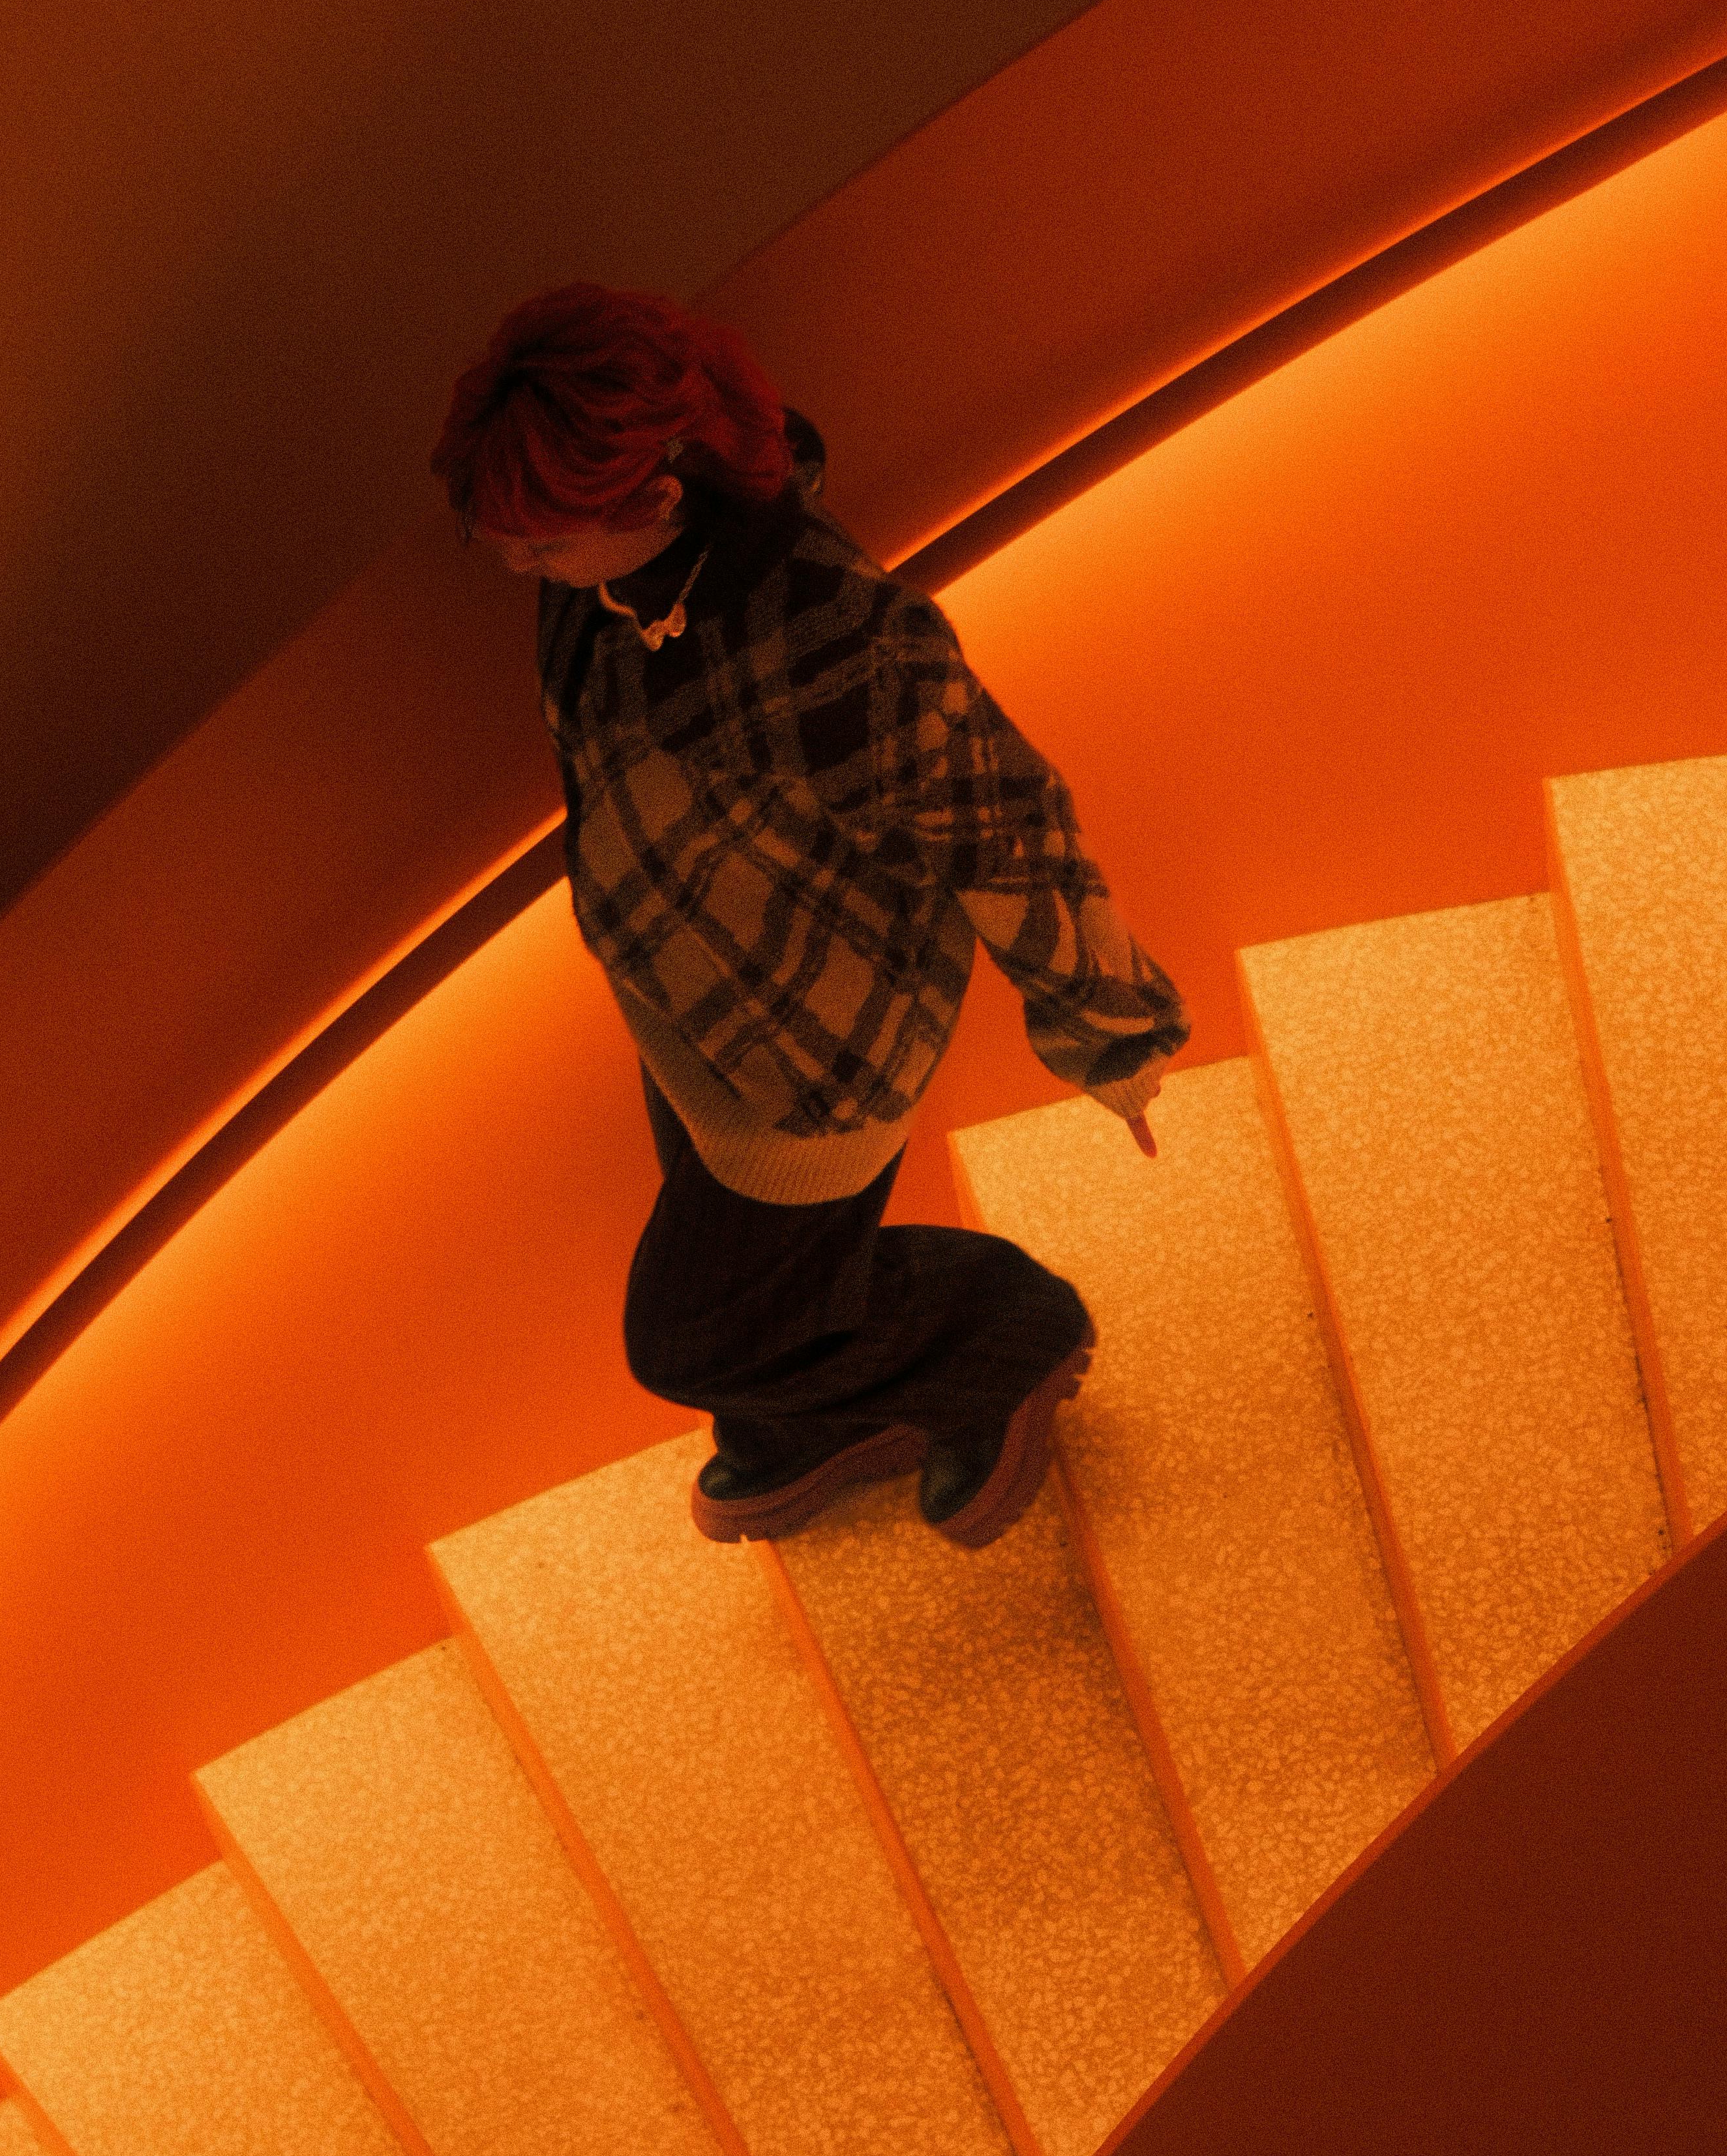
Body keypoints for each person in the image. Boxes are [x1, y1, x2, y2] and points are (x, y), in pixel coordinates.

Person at [432, 282, 1188, 1552]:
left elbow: (1004, 829)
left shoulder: (841, 640)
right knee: (756, 1287)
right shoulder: (598, 595)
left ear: (659, 500)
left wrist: (1110, 1030)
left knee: (694, 1330)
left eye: (544, 545)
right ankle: (795, 1425)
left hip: (814, 1061)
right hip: (684, 1007)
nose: (520, 571)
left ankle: (999, 1344)